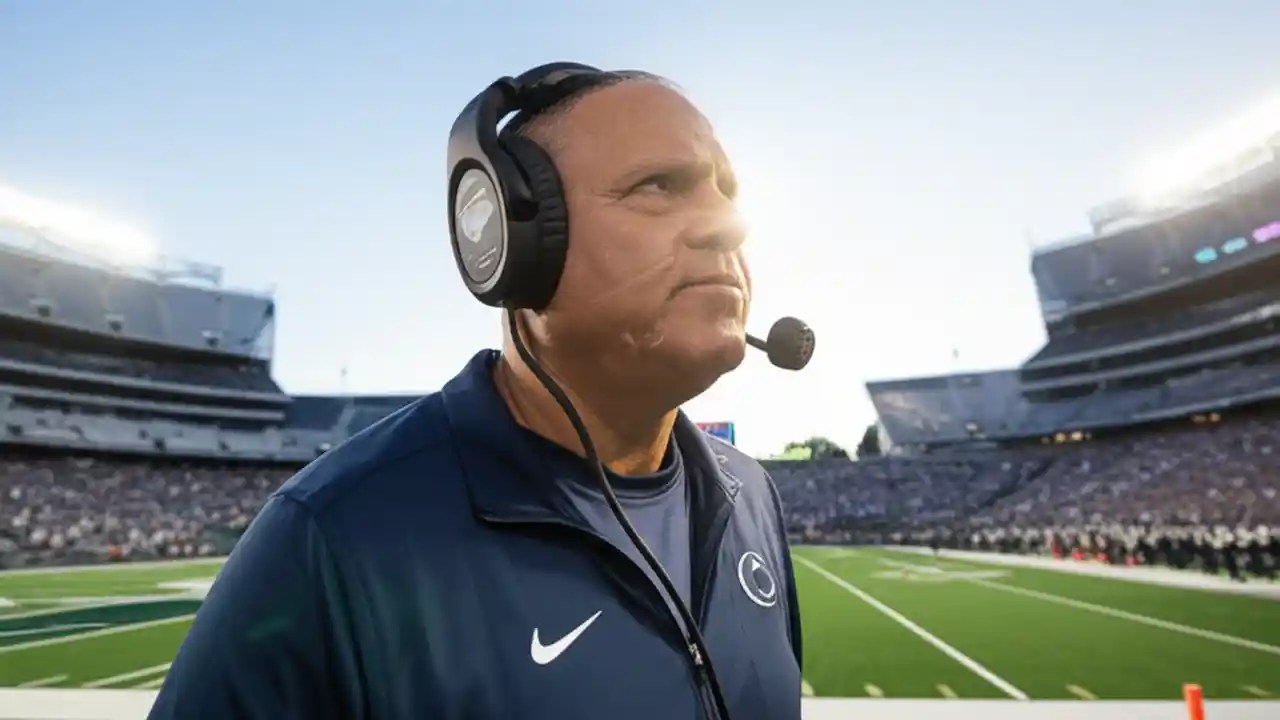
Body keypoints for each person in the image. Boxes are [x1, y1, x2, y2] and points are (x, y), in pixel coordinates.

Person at [149, 64, 803, 720]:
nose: (730, 223)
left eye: (726, 190)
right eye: (659, 185)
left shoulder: (750, 496)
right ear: (512, 240)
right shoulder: (333, 534)